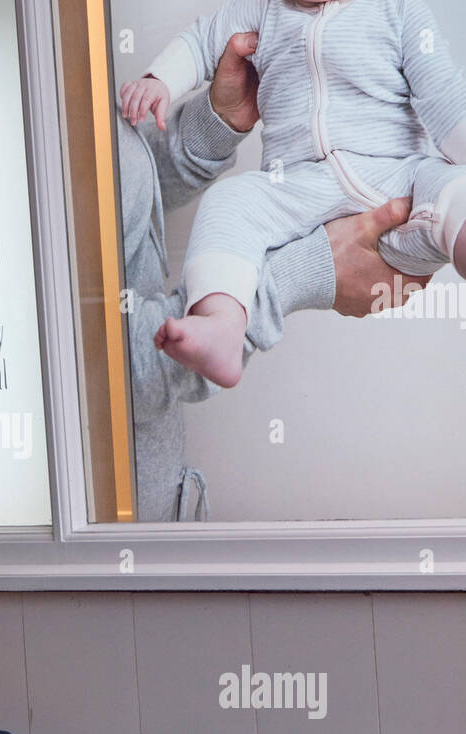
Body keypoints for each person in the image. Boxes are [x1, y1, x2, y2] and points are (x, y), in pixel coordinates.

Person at [121, 0, 466, 389]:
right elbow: (200, 41)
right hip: (295, 192)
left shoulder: (399, 13)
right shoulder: (257, 16)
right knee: (229, 206)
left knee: (451, 188)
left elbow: (445, 104)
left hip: (399, 185)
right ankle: (223, 326)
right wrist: (159, 80)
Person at [120, 30, 427, 519]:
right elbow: (85, 366)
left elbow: (117, 203)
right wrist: (299, 275)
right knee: (232, 202)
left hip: (162, 512)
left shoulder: (393, 19)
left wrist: (217, 122)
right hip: (103, 542)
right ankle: (221, 330)